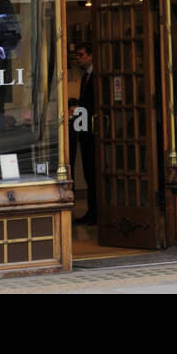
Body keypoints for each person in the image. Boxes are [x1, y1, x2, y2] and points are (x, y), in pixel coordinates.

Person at [67, 43, 97, 225]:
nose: (78, 58)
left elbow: (94, 104)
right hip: (85, 132)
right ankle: (92, 212)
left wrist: (78, 109)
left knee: (93, 174)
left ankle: (95, 213)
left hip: (94, 133)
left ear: (91, 55)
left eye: (81, 54)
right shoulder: (86, 76)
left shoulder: (96, 77)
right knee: (88, 173)